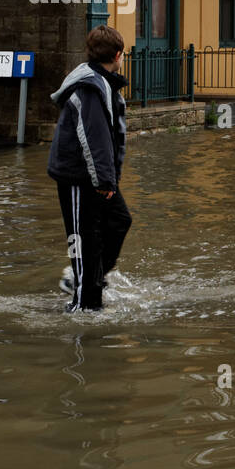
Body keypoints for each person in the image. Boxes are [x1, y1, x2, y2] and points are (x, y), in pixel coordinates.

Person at [48, 25, 132, 311]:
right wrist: (105, 182)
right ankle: (83, 307)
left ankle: (86, 277)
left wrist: (108, 180)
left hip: (98, 177)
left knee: (120, 220)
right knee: (84, 241)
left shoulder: (104, 82)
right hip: (78, 177)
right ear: (118, 54)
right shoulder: (90, 86)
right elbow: (92, 137)